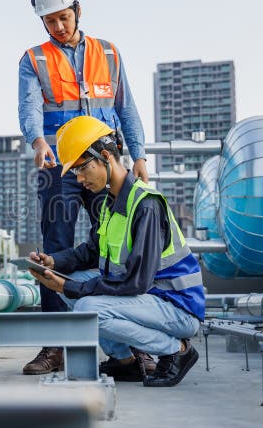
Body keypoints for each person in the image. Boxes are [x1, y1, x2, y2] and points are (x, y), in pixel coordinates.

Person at [18, 0, 149, 375]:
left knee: (113, 245)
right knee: (54, 247)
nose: (58, 26)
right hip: (58, 166)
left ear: (77, 9)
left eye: (63, 17)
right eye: (50, 20)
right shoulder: (33, 60)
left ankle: (128, 343)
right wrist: (38, 141)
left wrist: (139, 154)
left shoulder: (108, 53)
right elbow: (29, 108)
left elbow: (126, 107)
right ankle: (54, 345)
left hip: (106, 164)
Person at [26, 116, 205, 386]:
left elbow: (136, 282)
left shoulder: (146, 205)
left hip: (176, 308)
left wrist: (69, 288)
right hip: (149, 300)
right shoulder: (111, 205)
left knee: (85, 306)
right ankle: (125, 362)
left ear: (106, 156)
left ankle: (177, 351)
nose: (80, 179)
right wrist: (54, 261)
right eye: (75, 172)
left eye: (82, 169)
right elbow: (90, 251)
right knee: (74, 291)